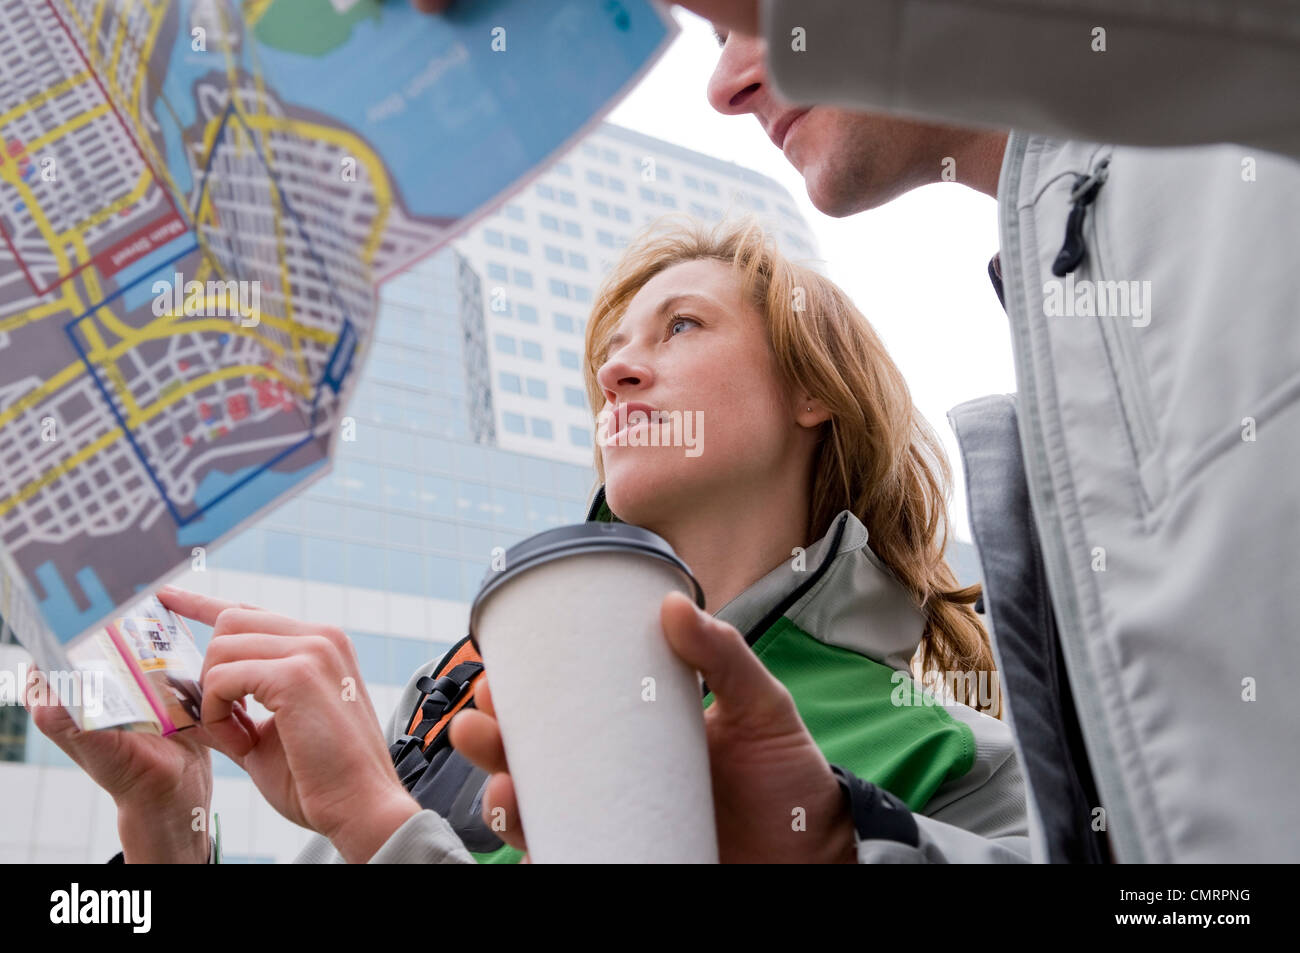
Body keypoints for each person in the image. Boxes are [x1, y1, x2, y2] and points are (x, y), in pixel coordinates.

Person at [29, 218, 1030, 864]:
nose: (619, 374)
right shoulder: (459, 688)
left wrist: (385, 828)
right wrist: (171, 829)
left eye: (680, 327)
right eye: (610, 353)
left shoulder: (958, 765)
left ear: (817, 388)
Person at [645, 0, 1300, 862]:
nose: (726, 86)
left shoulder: (1239, 144)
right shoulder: (1068, 341)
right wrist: (841, 847)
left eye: (739, 19)